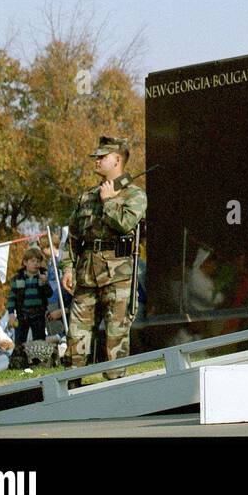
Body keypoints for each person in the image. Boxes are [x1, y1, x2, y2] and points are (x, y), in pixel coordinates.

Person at [59, 135, 147, 379]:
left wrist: (108, 202)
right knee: (76, 338)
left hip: (117, 278)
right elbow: (73, 238)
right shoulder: (86, 197)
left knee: (114, 339)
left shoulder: (134, 195)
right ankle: (70, 390)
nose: (96, 160)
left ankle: (114, 393)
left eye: (102, 156)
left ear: (117, 159)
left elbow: (126, 223)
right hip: (85, 276)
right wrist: (67, 268)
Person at [8, 245, 53, 344]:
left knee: (40, 340)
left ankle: (39, 358)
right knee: (20, 341)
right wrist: (11, 313)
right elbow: (12, 297)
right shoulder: (18, 278)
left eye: (38, 261)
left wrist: (45, 284)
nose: (36, 264)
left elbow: (49, 294)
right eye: (32, 261)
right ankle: (20, 358)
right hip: (22, 314)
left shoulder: (42, 277)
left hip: (38, 314)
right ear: (25, 262)